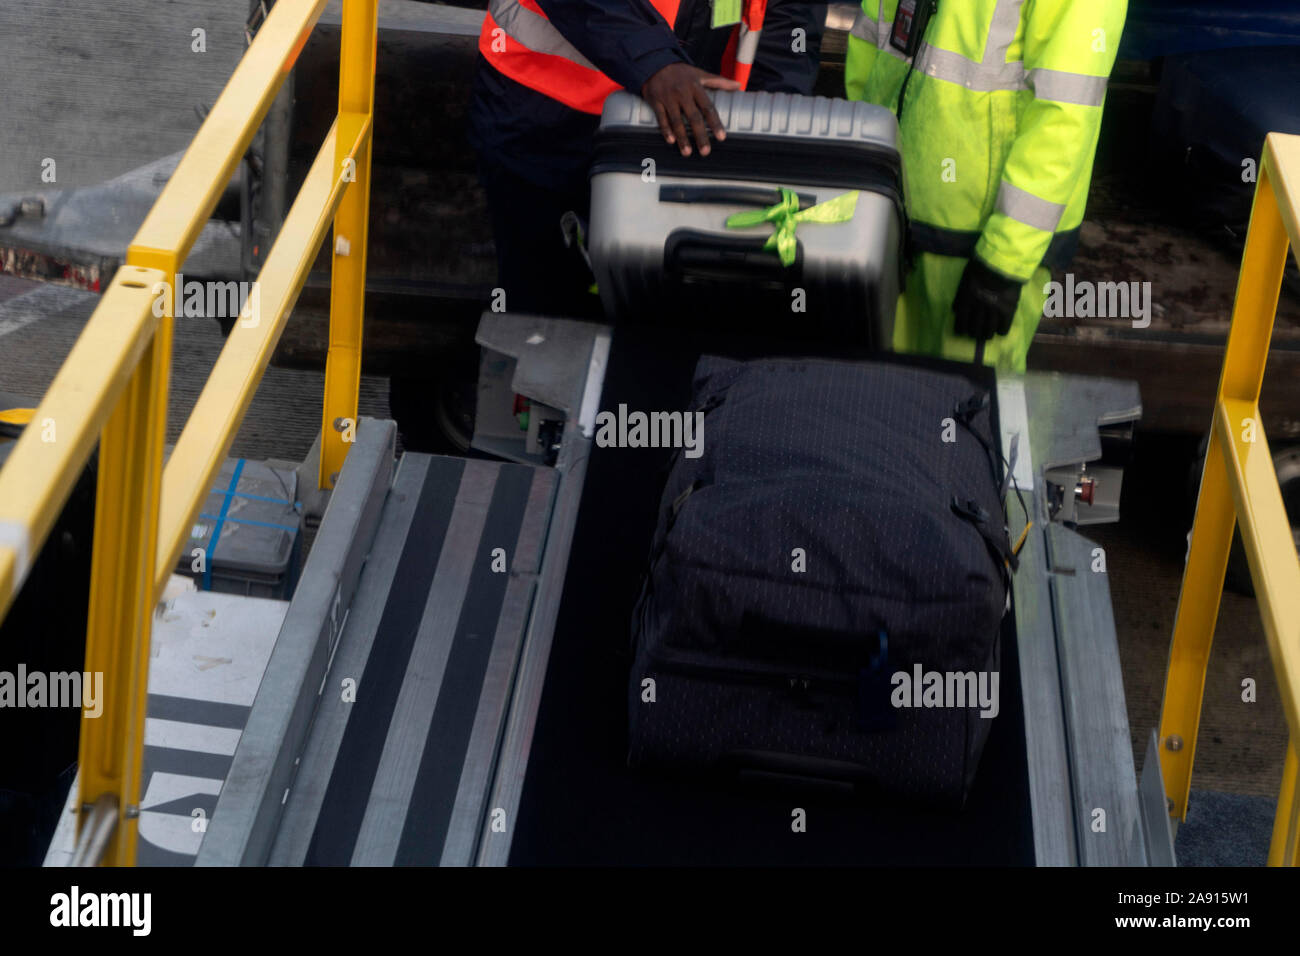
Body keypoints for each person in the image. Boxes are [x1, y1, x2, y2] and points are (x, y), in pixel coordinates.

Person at [470, 0, 825, 318]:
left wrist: (773, 114)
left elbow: (791, 18)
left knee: (654, 336)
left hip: (688, 136)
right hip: (550, 120)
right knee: (545, 322)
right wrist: (653, 62)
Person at [845, 0, 1127, 371]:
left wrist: (1004, 259)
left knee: (959, 414)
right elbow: (875, 42)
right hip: (888, 214)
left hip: (975, 246)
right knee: (880, 403)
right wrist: (854, 171)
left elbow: (1065, 115)